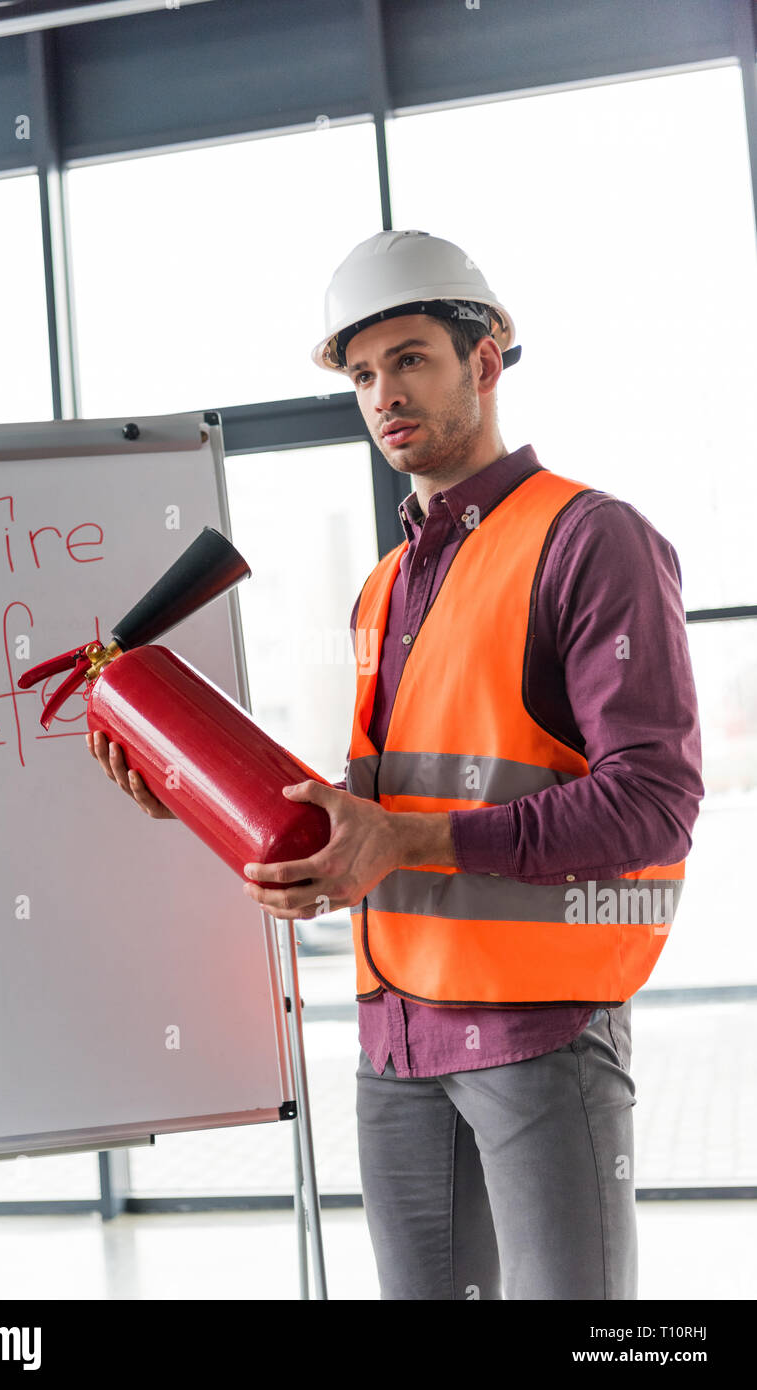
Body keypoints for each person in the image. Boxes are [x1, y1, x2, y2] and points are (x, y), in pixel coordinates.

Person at [87, 229, 703, 1301]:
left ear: (486, 361)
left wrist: (411, 838)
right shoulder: (385, 587)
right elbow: (376, 809)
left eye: (411, 358)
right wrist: (192, 798)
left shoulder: (587, 537)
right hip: (395, 1038)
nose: (384, 394)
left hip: (537, 1031)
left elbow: (653, 803)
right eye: (363, 375)